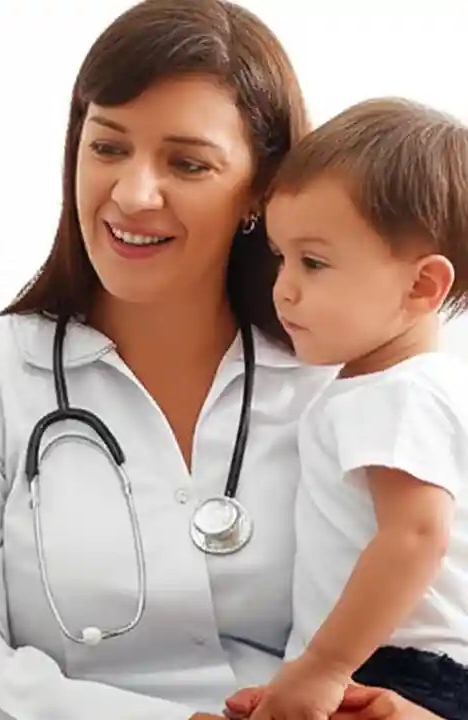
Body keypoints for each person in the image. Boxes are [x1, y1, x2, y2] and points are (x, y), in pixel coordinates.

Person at [0, 1, 438, 718]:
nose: (133, 194)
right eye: (107, 148)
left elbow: (437, 613)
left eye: (188, 163)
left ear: (261, 191)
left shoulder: (351, 389)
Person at [224, 99, 468, 720]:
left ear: (421, 286)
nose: (284, 288)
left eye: (314, 262)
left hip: (401, 669)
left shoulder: (395, 395)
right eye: (280, 257)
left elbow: (416, 535)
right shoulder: (409, 388)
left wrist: (324, 666)